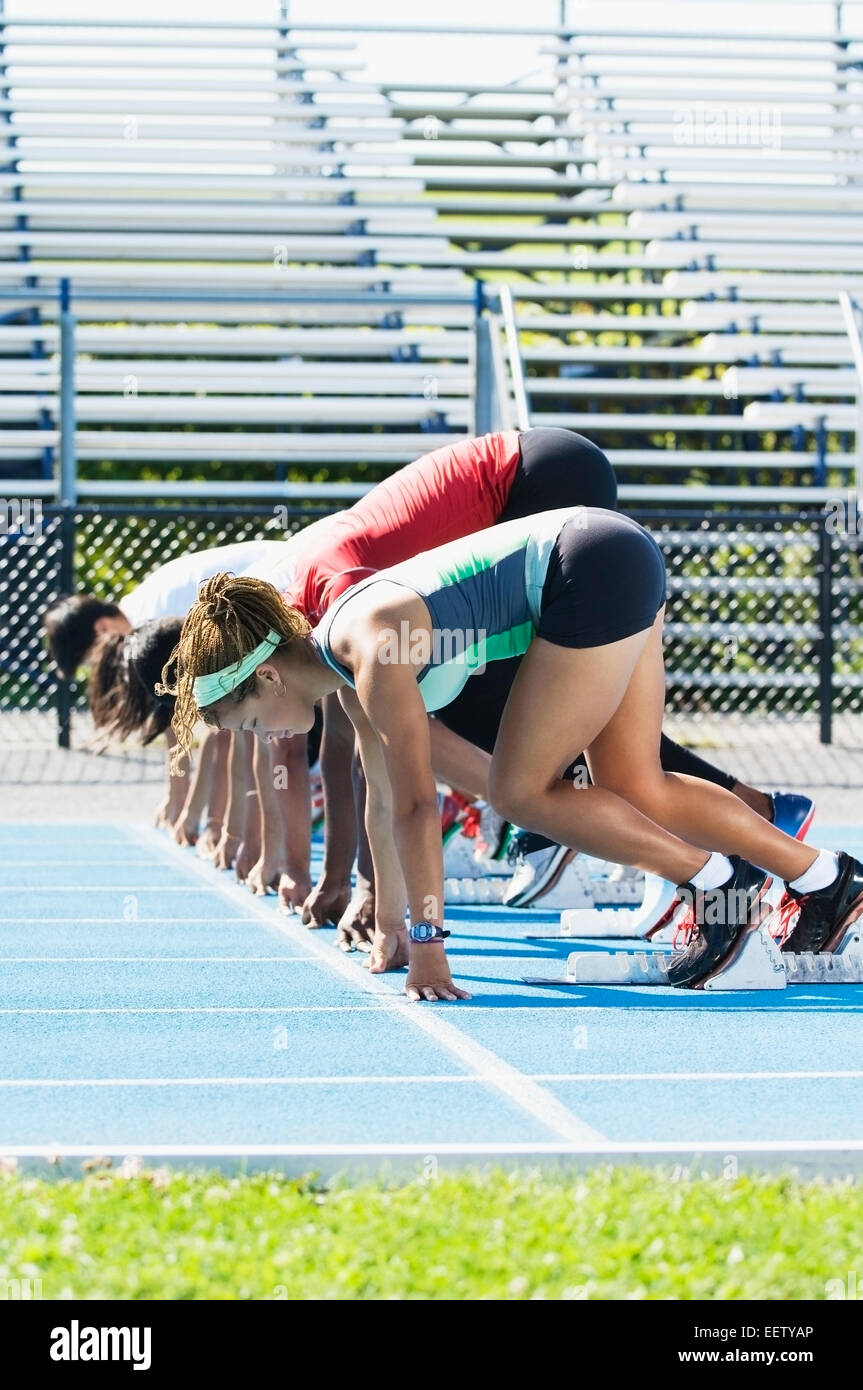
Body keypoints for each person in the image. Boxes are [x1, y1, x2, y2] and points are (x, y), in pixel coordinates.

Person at [163, 511, 863, 998]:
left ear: (267, 677)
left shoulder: (365, 647)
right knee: (631, 782)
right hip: (607, 553)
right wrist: (389, 925)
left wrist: (430, 943)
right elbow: (383, 804)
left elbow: (415, 805)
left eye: (251, 724)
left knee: (522, 792)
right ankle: (827, 880)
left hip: (588, 567)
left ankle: (716, 886)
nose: (269, 739)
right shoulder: (347, 666)